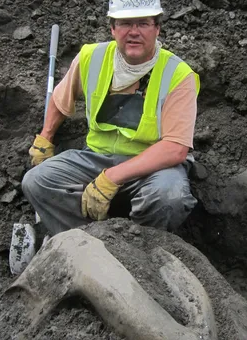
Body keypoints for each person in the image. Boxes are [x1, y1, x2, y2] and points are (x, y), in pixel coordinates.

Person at [22, 0, 200, 236]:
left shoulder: (178, 74)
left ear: (157, 28)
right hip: (94, 157)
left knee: (170, 195)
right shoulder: (92, 57)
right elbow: (59, 97)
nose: (134, 32)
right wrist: (46, 137)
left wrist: (111, 177)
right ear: (113, 28)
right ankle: (89, 242)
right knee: (37, 181)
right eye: (125, 23)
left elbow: (175, 148)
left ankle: (142, 249)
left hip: (151, 168)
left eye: (143, 23)